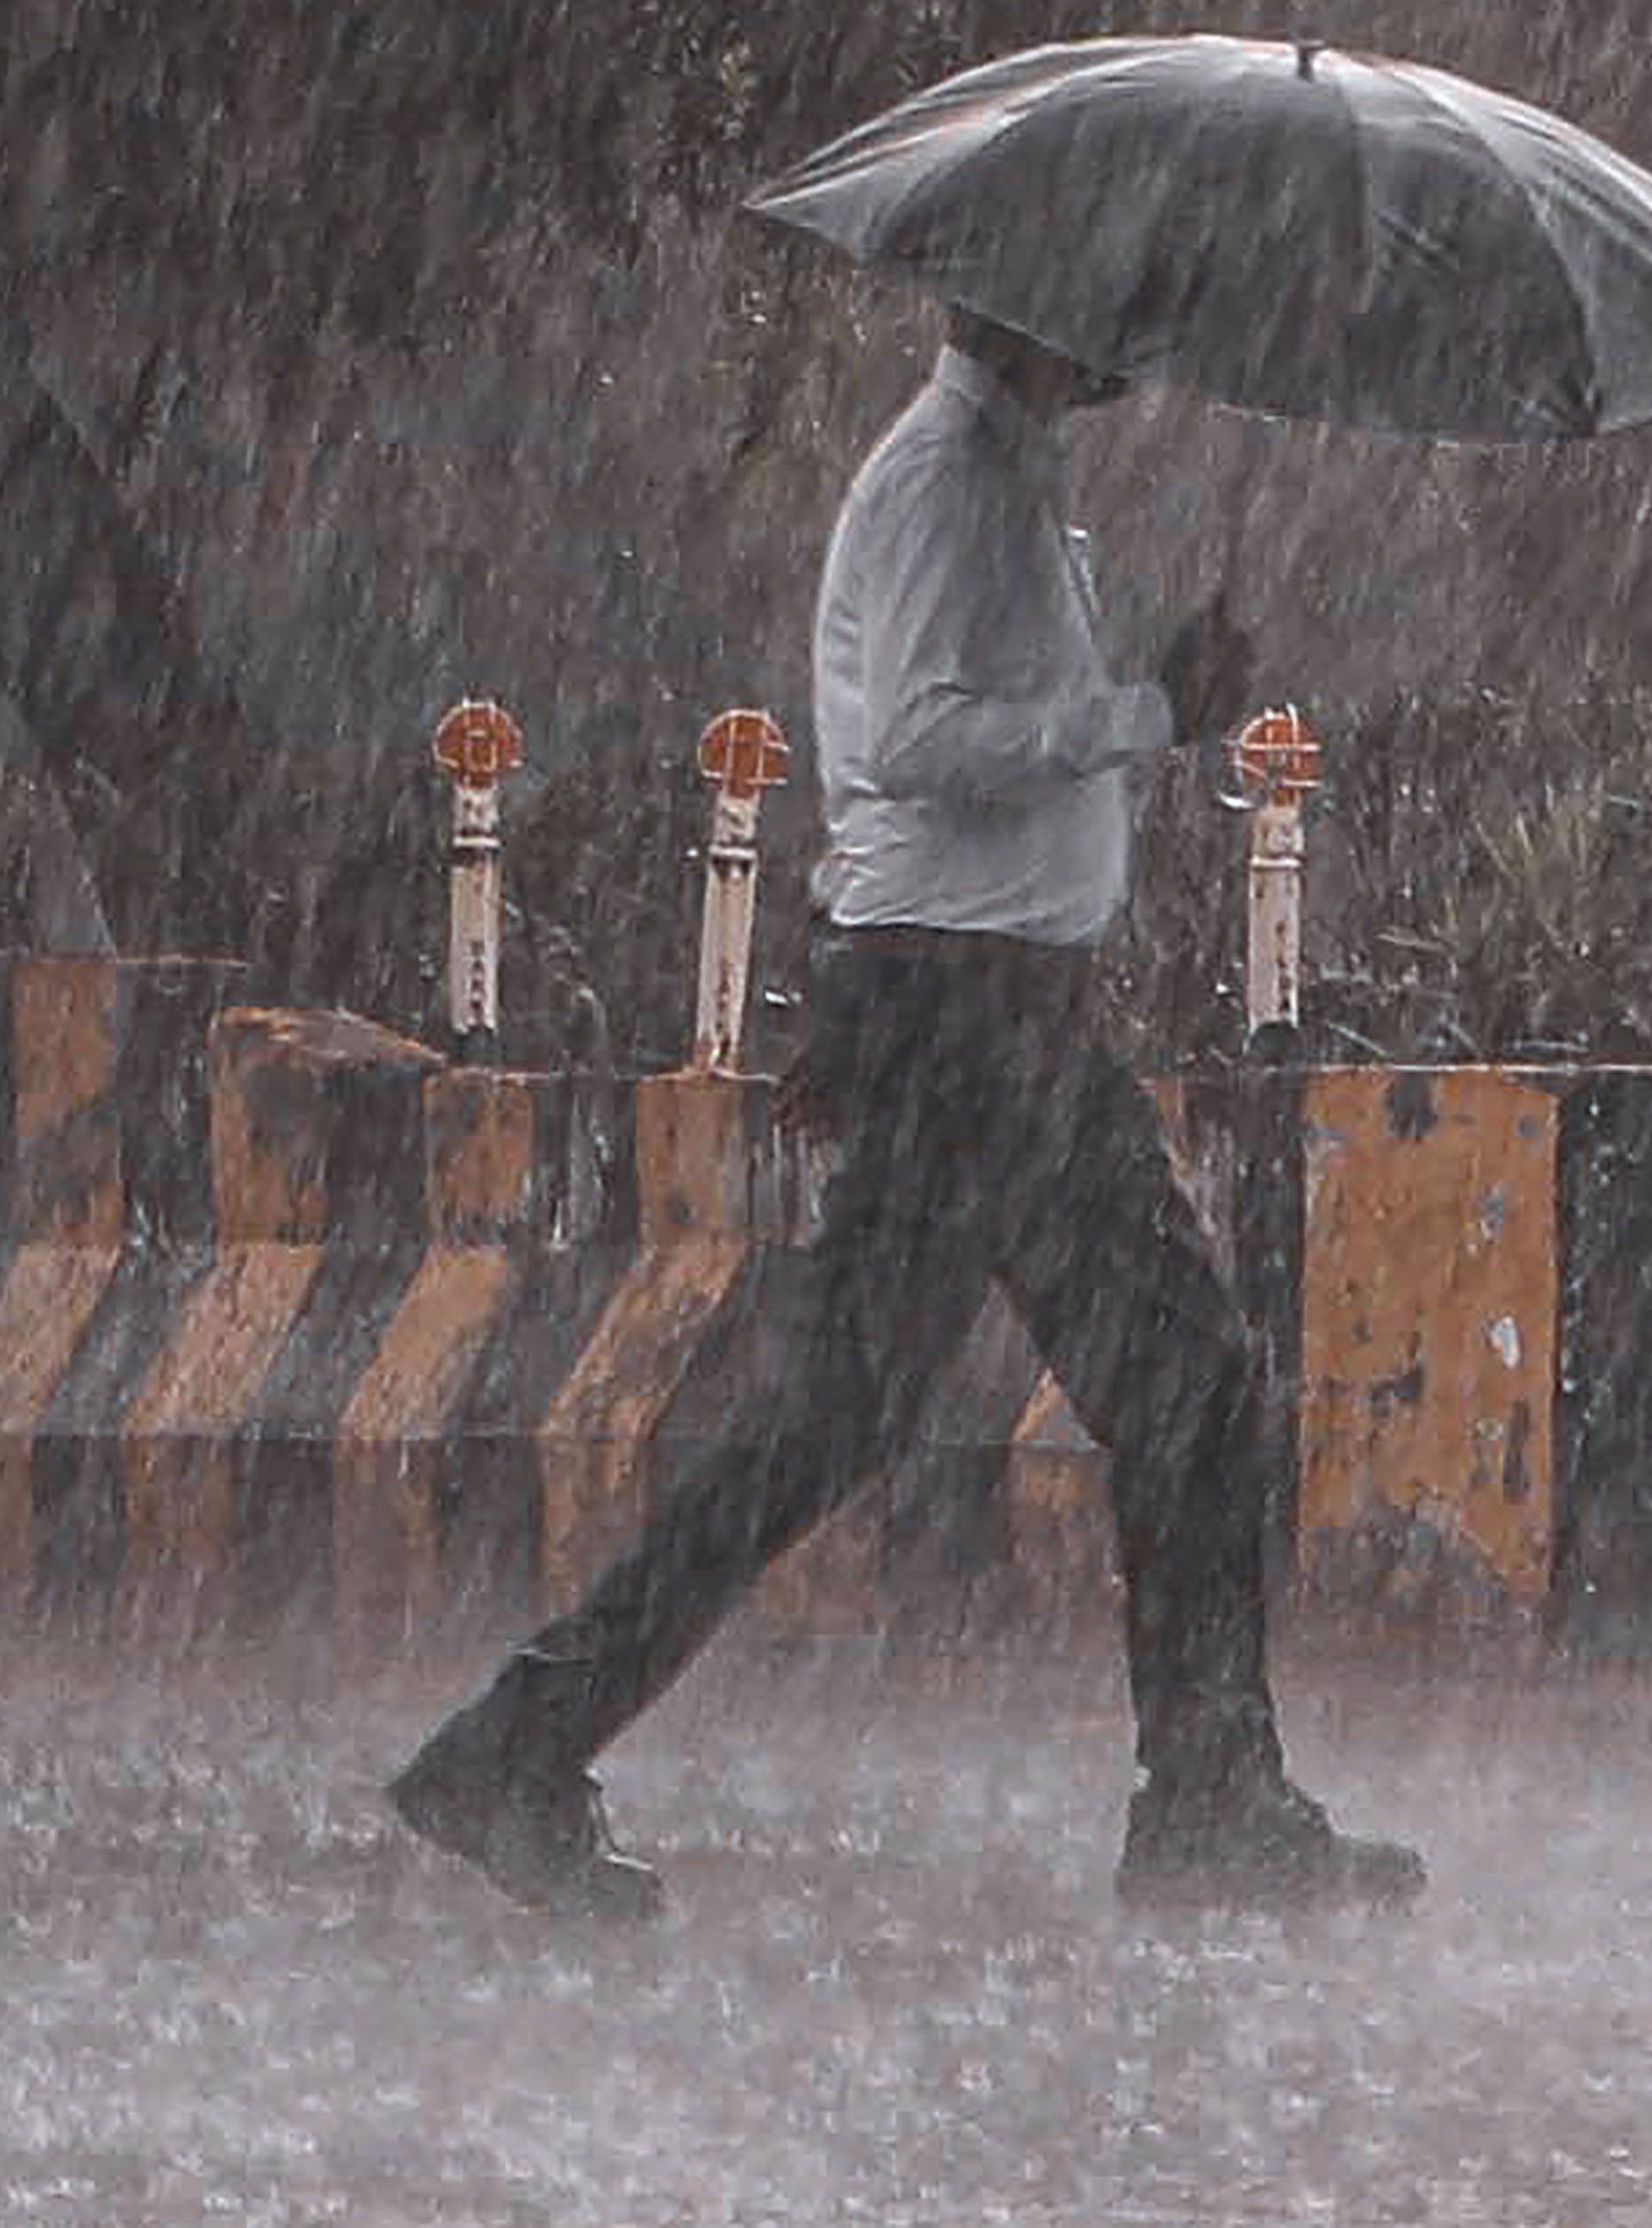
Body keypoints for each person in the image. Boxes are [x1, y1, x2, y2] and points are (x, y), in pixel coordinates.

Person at [387, 307, 1425, 1922]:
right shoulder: (949, 481)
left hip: (992, 1020)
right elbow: (914, 740)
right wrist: (1148, 712)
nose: (1139, 338)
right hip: (971, 1025)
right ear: (1023, 310)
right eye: (1110, 310)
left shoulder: (1009, 482)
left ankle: (525, 1740)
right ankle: (1203, 1796)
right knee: (1146, 1387)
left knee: (942, 1408)